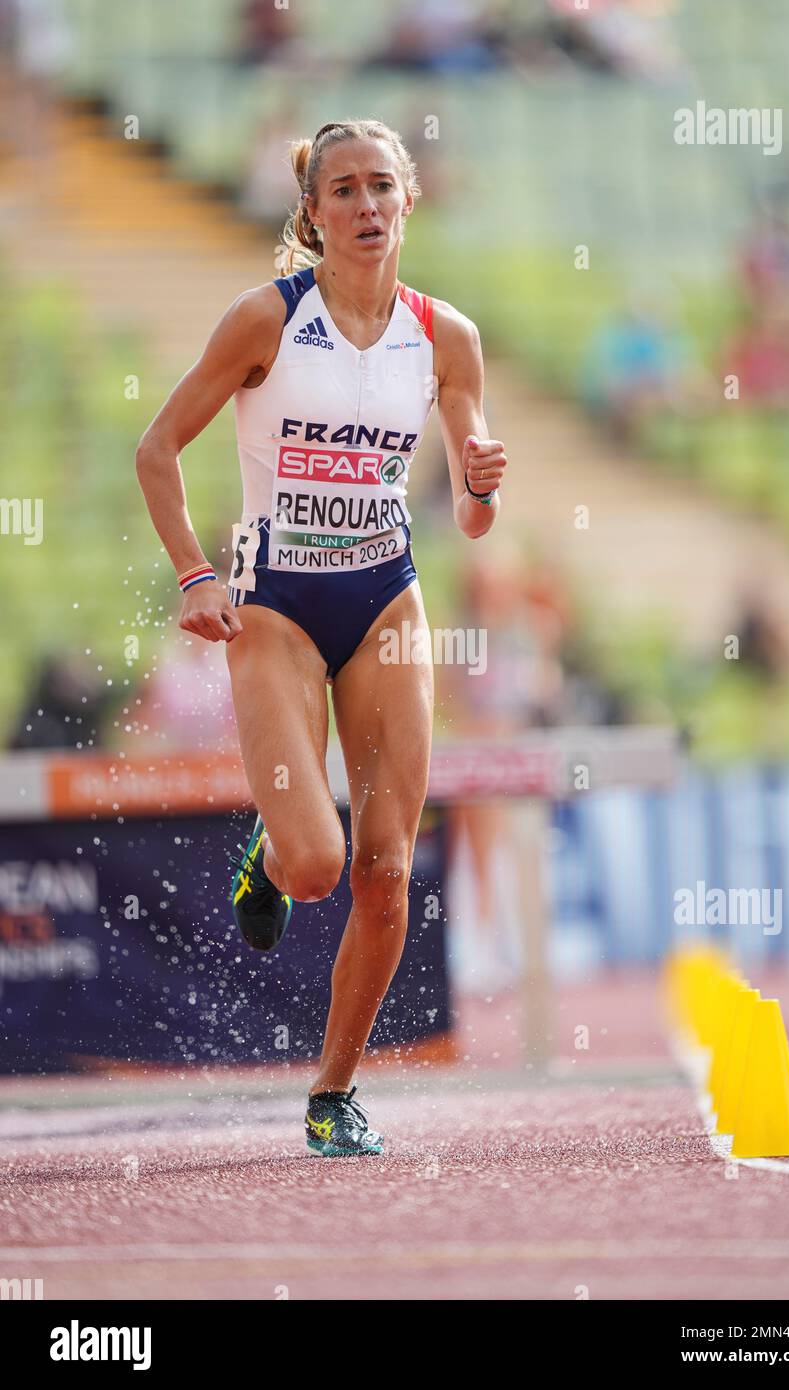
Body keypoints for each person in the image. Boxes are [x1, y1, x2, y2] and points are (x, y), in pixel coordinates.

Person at [135, 118, 508, 1156]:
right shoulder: (264, 321)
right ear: (312, 211)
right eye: (341, 189)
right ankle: (272, 850)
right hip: (277, 608)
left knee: (385, 870)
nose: (363, 205)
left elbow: (473, 515)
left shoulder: (447, 339)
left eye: (380, 186)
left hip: (386, 598)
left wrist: (478, 494)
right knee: (314, 867)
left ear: (408, 200)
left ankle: (332, 1089)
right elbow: (156, 448)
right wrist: (195, 575)